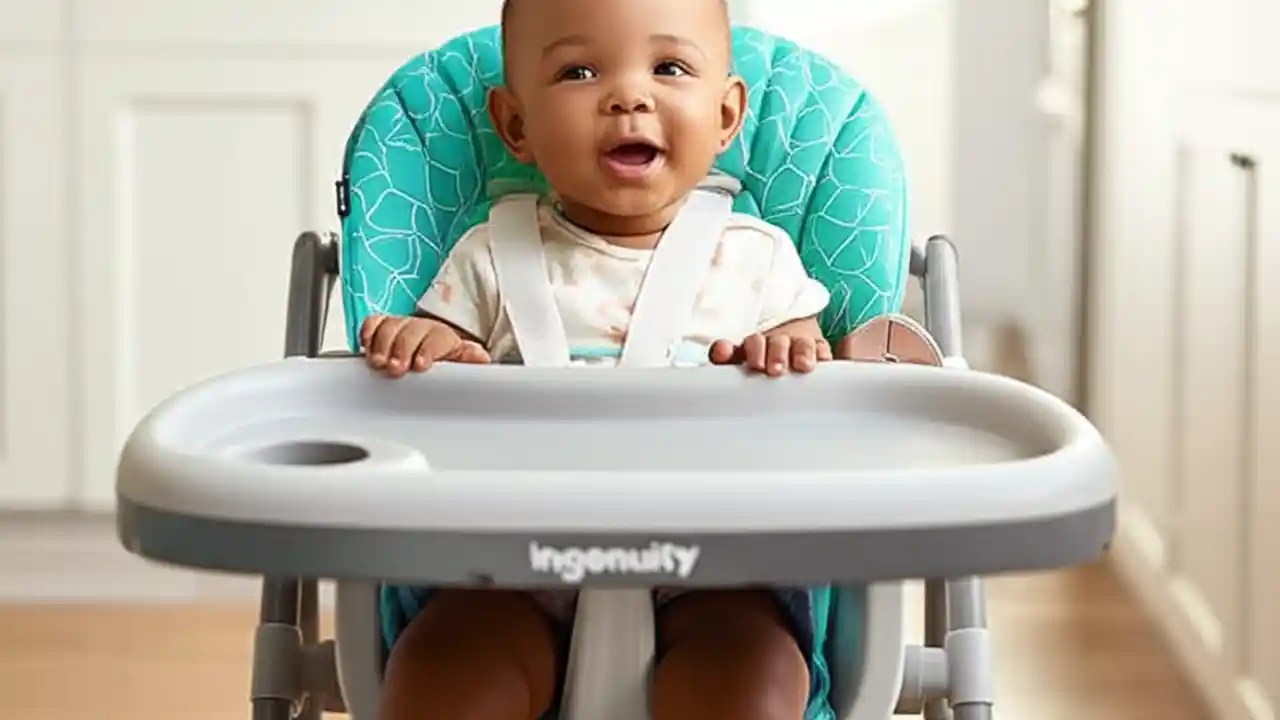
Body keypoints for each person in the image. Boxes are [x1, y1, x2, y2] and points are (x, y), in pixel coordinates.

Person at [362, 0, 943, 717]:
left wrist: (787, 354)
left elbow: (809, 377)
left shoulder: (759, 259)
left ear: (728, 115)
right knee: (440, 674)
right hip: (511, 570)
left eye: (669, 68)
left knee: (752, 676)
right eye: (579, 71)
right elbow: (435, 379)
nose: (628, 96)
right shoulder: (487, 254)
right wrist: (429, 351)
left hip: (719, 572)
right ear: (516, 124)